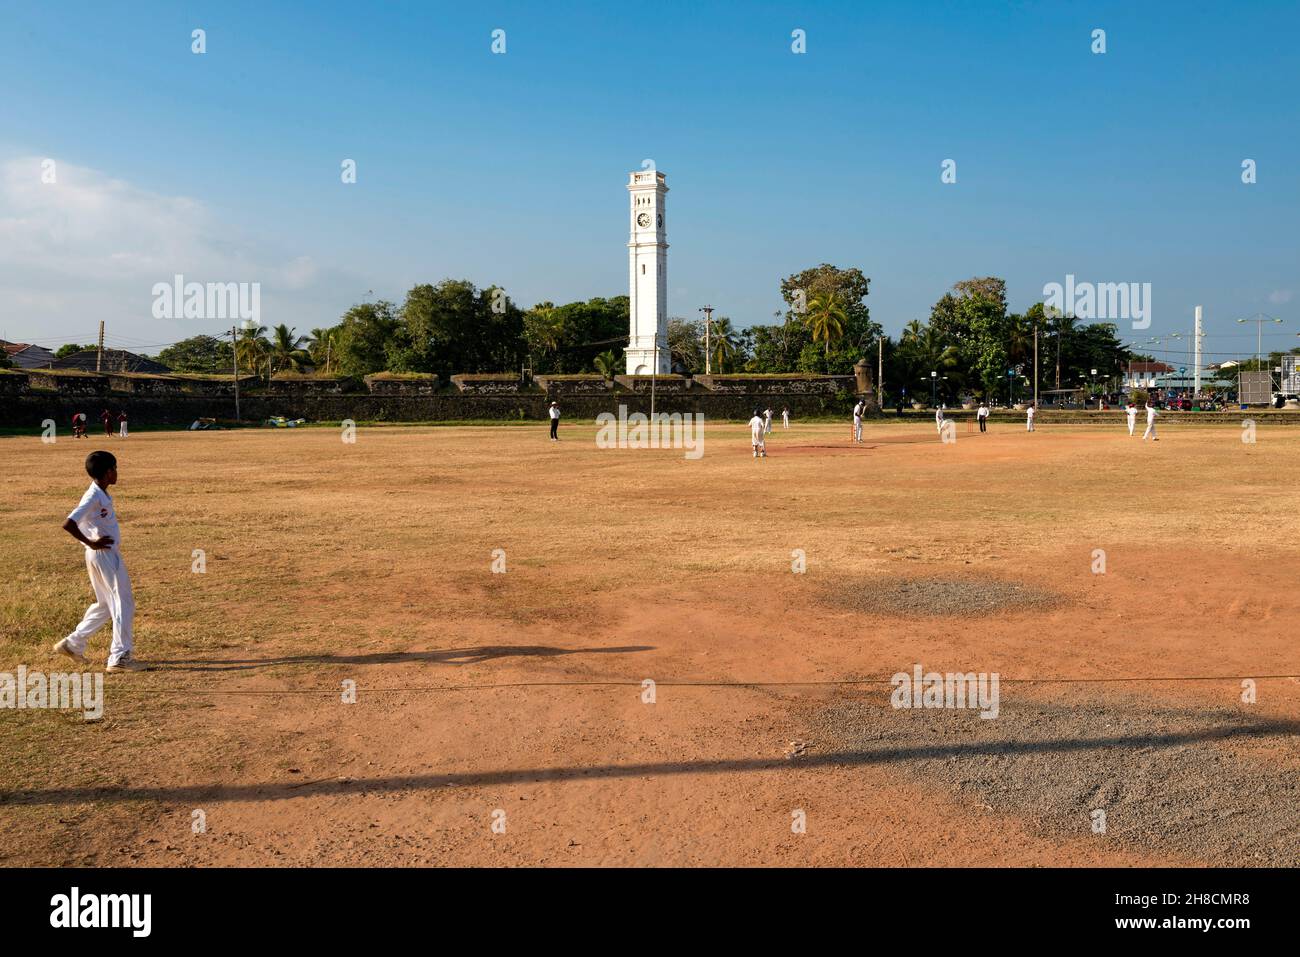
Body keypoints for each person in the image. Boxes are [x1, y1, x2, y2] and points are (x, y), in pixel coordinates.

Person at [53, 451, 145, 672]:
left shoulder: (100, 493)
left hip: (99, 555)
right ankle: (120, 658)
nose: (117, 473)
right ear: (107, 472)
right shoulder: (93, 496)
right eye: (115, 468)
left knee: (105, 604)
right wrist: (91, 542)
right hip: (103, 554)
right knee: (123, 603)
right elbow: (68, 523)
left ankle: (73, 644)